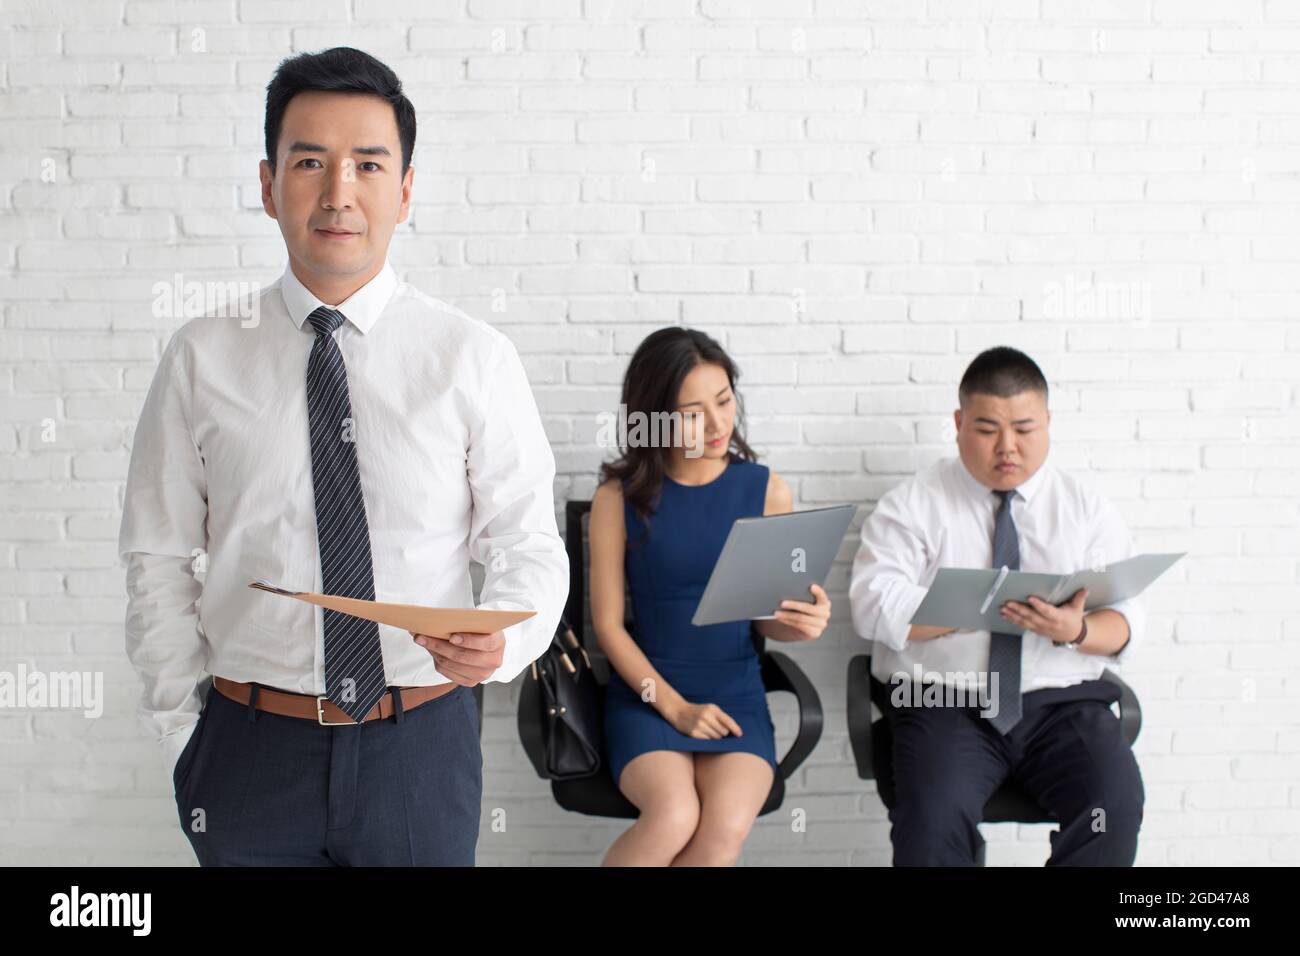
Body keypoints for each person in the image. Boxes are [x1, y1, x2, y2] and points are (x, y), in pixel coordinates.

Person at [118, 47, 568, 866]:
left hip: (419, 749)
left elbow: (526, 544)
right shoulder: (201, 357)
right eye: (309, 162)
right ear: (267, 184)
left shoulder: (471, 356)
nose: (338, 193)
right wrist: (183, 732)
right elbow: (156, 553)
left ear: (403, 190)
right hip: (250, 752)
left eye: (367, 163)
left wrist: (510, 640)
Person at [849, 346, 1145, 866]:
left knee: (1113, 804)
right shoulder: (913, 504)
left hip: (1061, 706)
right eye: (987, 430)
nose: (1007, 447)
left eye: (1025, 429)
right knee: (932, 818)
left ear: (1048, 423)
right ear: (959, 423)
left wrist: (1075, 629)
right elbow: (873, 606)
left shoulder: (1086, 509)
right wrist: (974, 606)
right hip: (944, 703)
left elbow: (1126, 622)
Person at [588, 327, 831, 866]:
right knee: (674, 816)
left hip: (736, 695)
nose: (718, 424)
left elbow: (768, 619)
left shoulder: (767, 491)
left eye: (724, 401)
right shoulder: (616, 499)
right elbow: (608, 627)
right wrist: (674, 709)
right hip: (649, 696)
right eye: (693, 412)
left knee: (720, 832)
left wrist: (802, 623)